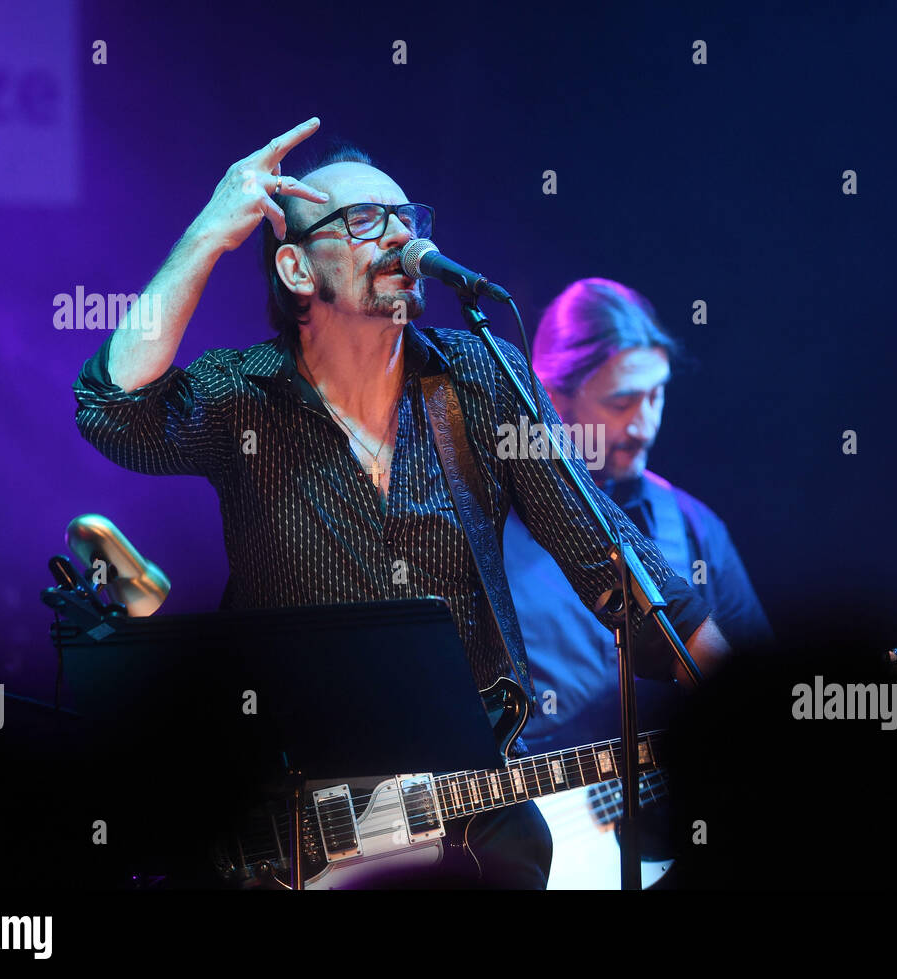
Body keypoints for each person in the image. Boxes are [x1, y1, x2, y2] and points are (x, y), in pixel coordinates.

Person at [71, 119, 730, 888]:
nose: (397, 236)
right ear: (295, 267)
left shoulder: (481, 378)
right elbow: (113, 408)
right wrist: (210, 233)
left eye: (407, 218)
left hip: (467, 809)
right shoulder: (241, 394)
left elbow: (617, 565)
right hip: (295, 819)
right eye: (361, 220)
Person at [508, 278, 771, 758]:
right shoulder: (483, 522)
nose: (644, 425)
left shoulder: (695, 527)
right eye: (621, 402)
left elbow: (762, 690)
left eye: (656, 396)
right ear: (550, 396)